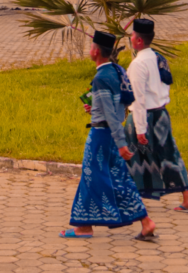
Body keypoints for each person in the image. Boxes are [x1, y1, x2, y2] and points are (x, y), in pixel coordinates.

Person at [62, 30, 156, 242]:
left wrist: (121, 143)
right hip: (111, 133)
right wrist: (96, 108)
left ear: (96, 51)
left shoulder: (101, 77)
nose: (90, 50)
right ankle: (146, 221)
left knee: (91, 177)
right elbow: (121, 105)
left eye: (91, 47)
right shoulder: (118, 71)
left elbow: (112, 117)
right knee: (119, 178)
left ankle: (84, 227)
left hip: (101, 136)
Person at [124, 18, 188, 214]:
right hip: (161, 114)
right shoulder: (159, 59)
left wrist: (140, 129)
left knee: (128, 154)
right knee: (169, 154)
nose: (130, 38)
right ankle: (187, 195)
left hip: (144, 117)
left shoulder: (138, 64)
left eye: (132, 35)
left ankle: (127, 199)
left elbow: (138, 99)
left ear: (138, 40)